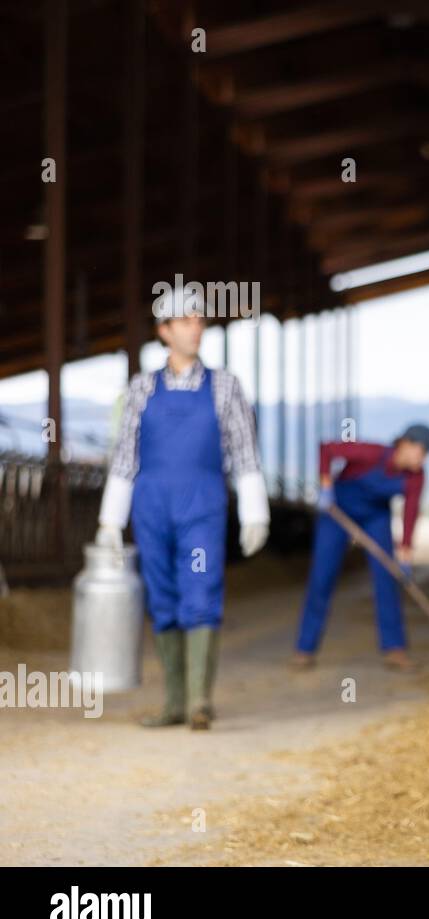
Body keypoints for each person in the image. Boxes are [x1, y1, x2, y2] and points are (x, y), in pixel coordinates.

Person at [96, 288, 269, 730]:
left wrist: (255, 510)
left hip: (202, 503)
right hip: (150, 504)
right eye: (185, 321)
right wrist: (110, 521)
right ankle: (173, 703)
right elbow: (124, 457)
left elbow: (245, 453)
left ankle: (198, 702)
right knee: (162, 595)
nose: (195, 327)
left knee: (201, 588)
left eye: (199, 320)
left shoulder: (226, 386)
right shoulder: (140, 388)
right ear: (164, 331)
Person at [292, 424, 429, 671]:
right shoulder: (372, 453)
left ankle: (394, 649)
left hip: (375, 517)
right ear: (406, 444)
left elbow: (411, 512)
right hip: (336, 511)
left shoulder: (417, 476)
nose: (424, 459)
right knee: (322, 578)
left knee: (387, 578)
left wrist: (405, 555)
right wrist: (326, 487)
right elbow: (327, 449)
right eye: (423, 452)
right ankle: (305, 649)